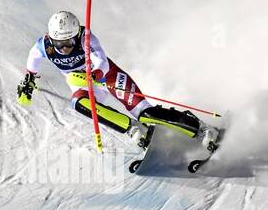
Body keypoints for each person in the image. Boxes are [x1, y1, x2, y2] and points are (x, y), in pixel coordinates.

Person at [16, 10, 204, 145]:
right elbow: (32, 60)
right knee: (79, 103)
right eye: (61, 43)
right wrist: (29, 79)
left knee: (145, 113)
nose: (65, 47)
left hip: (108, 77)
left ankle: (199, 128)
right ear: (51, 38)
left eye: (70, 42)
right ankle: (133, 129)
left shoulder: (86, 38)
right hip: (83, 84)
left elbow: (102, 63)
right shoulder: (43, 46)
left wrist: (94, 75)